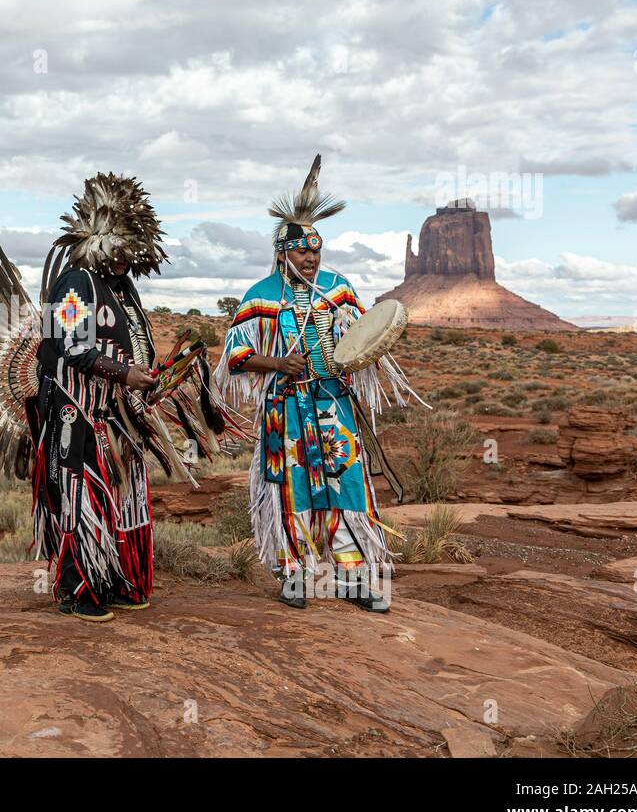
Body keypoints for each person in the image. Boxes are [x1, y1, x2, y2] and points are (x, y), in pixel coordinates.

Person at [215, 155, 418, 612]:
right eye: (302, 251)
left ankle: (353, 576)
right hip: (286, 409)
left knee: (348, 486)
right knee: (292, 487)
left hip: (333, 405)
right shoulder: (262, 296)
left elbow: (366, 338)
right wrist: (278, 363)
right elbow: (235, 358)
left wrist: (357, 359)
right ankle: (295, 574)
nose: (310, 258)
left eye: (315, 250)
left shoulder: (338, 288)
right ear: (283, 253)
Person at [33, 173, 166, 622]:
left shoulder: (123, 287)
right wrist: (125, 372)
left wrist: (150, 375)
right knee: (80, 495)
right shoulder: (76, 281)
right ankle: (79, 589)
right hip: (76, 410)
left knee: (126, 494)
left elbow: (136, 340)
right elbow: (71, 344)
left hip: (118, 412)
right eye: (124, 251)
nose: (129, 260)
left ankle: (119, 580)